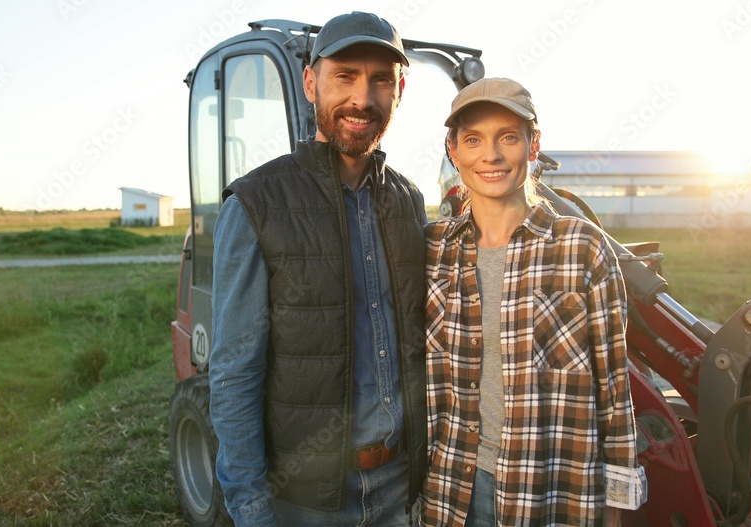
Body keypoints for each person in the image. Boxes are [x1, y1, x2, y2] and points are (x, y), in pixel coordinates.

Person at [209, 11, 429, 527]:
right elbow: (235, 373)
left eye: (380, 80)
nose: (362, 98)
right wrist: (251, 507)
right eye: (345, 76)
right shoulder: (255, 205)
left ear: (399, 90)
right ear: (311, 83)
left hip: (400, 488)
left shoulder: (409, 202)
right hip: (303, 502)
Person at [419, 78, 647, 526]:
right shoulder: (432, 250)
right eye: (473, 140)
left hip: (550, 496)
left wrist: (619, 506)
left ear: (533, 144)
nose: (491, 155)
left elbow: (615, 392)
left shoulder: (582, 248)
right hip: (451, 494)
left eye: (508, 137)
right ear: (453, 150)